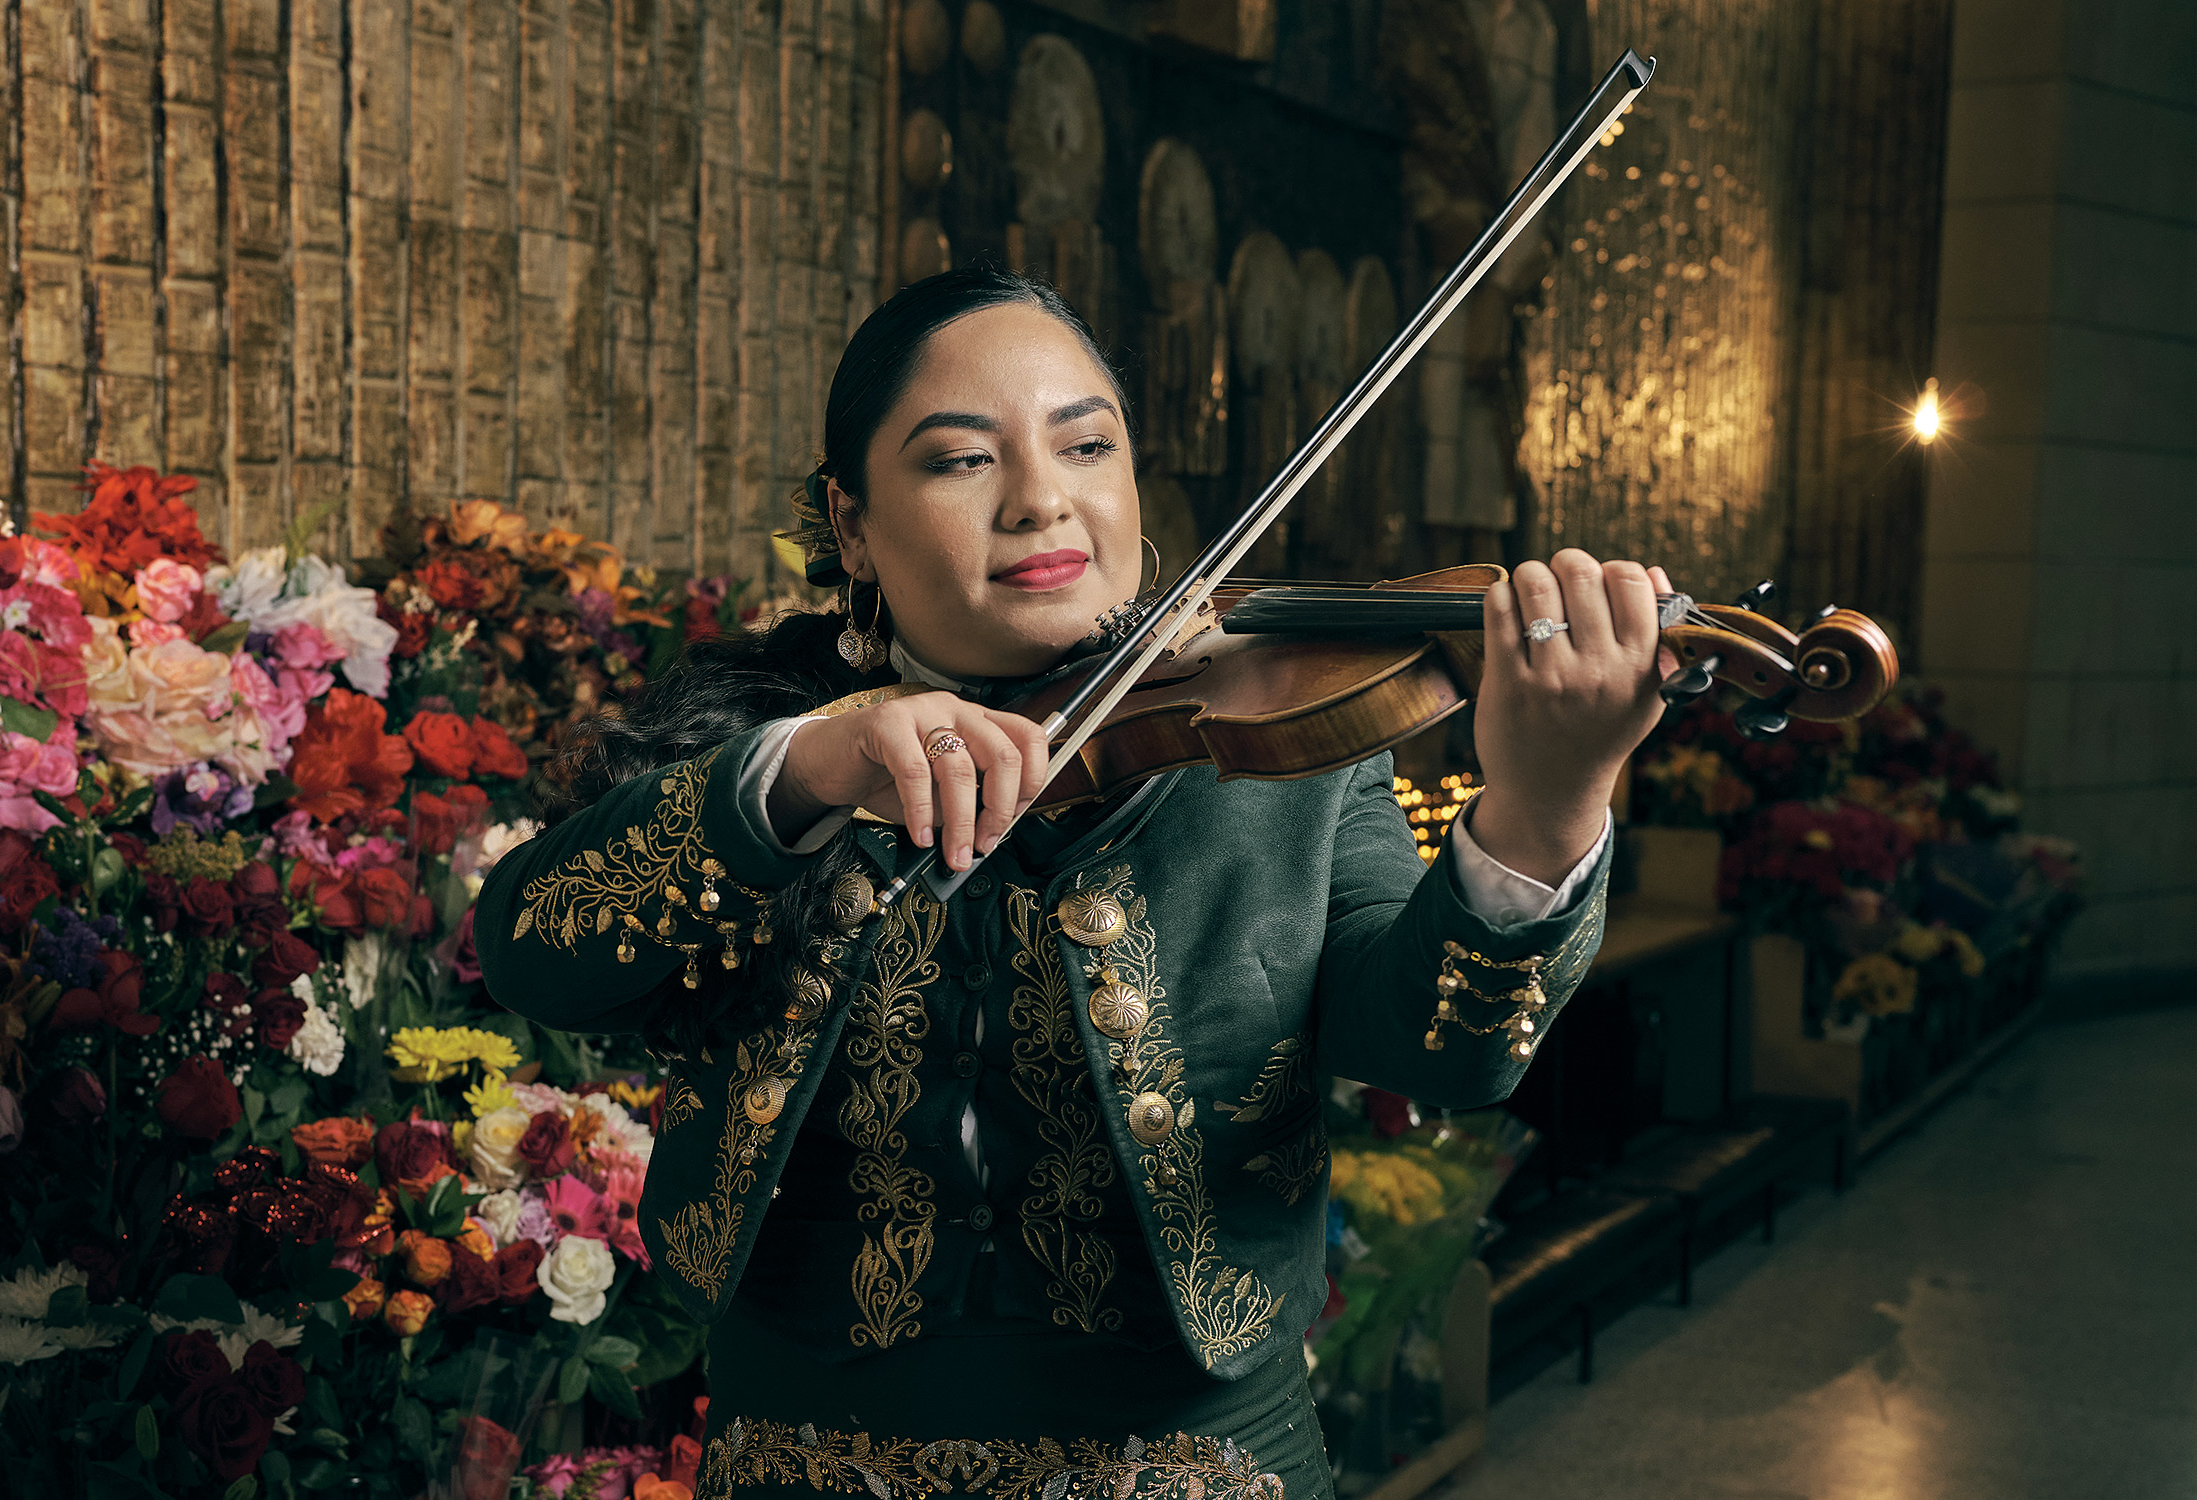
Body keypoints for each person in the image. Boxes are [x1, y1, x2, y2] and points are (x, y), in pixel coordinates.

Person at [475, 269, 1675, 1500]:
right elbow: (530, 949)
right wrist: (812, 767)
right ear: (851, 528)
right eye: (959, 461)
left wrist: (1546, 808)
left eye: (1086, 444)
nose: (1043, 501)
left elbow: (1444, 1053)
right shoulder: (772, 759)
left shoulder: (1289, 753)